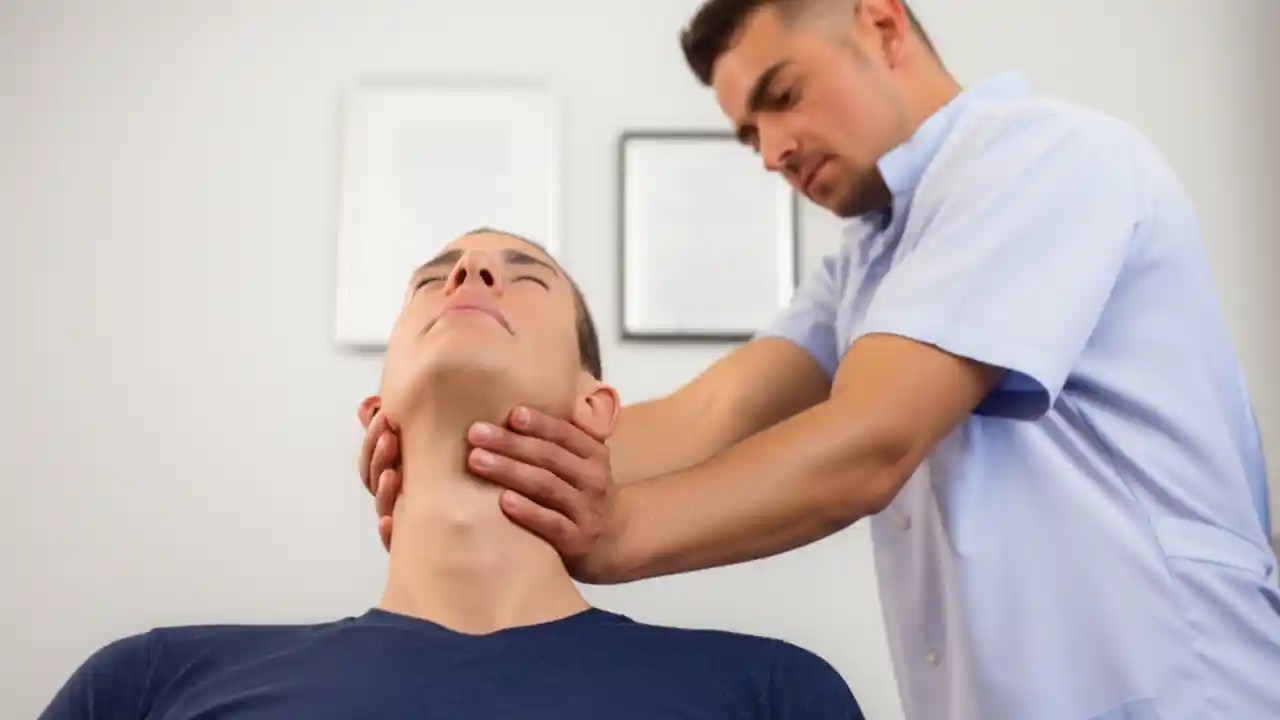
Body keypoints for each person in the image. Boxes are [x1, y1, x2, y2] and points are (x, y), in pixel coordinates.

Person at [361, 2, 1280, 719]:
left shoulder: (1041, 157)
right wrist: (456, 444)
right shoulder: (868, 265)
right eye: (748, 133)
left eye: (782, 96)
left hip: (1180, 690)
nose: (770, 152)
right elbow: (709, 415)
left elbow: (870, 442)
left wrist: (619, 531)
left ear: (881, 23)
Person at [42, 230, 864, 720]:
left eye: (523, 274)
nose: (467, 277)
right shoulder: (150, 686)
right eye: (433, 280)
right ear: (377, 412)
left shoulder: (770, 696)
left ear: (598, 408)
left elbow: (866, 438)